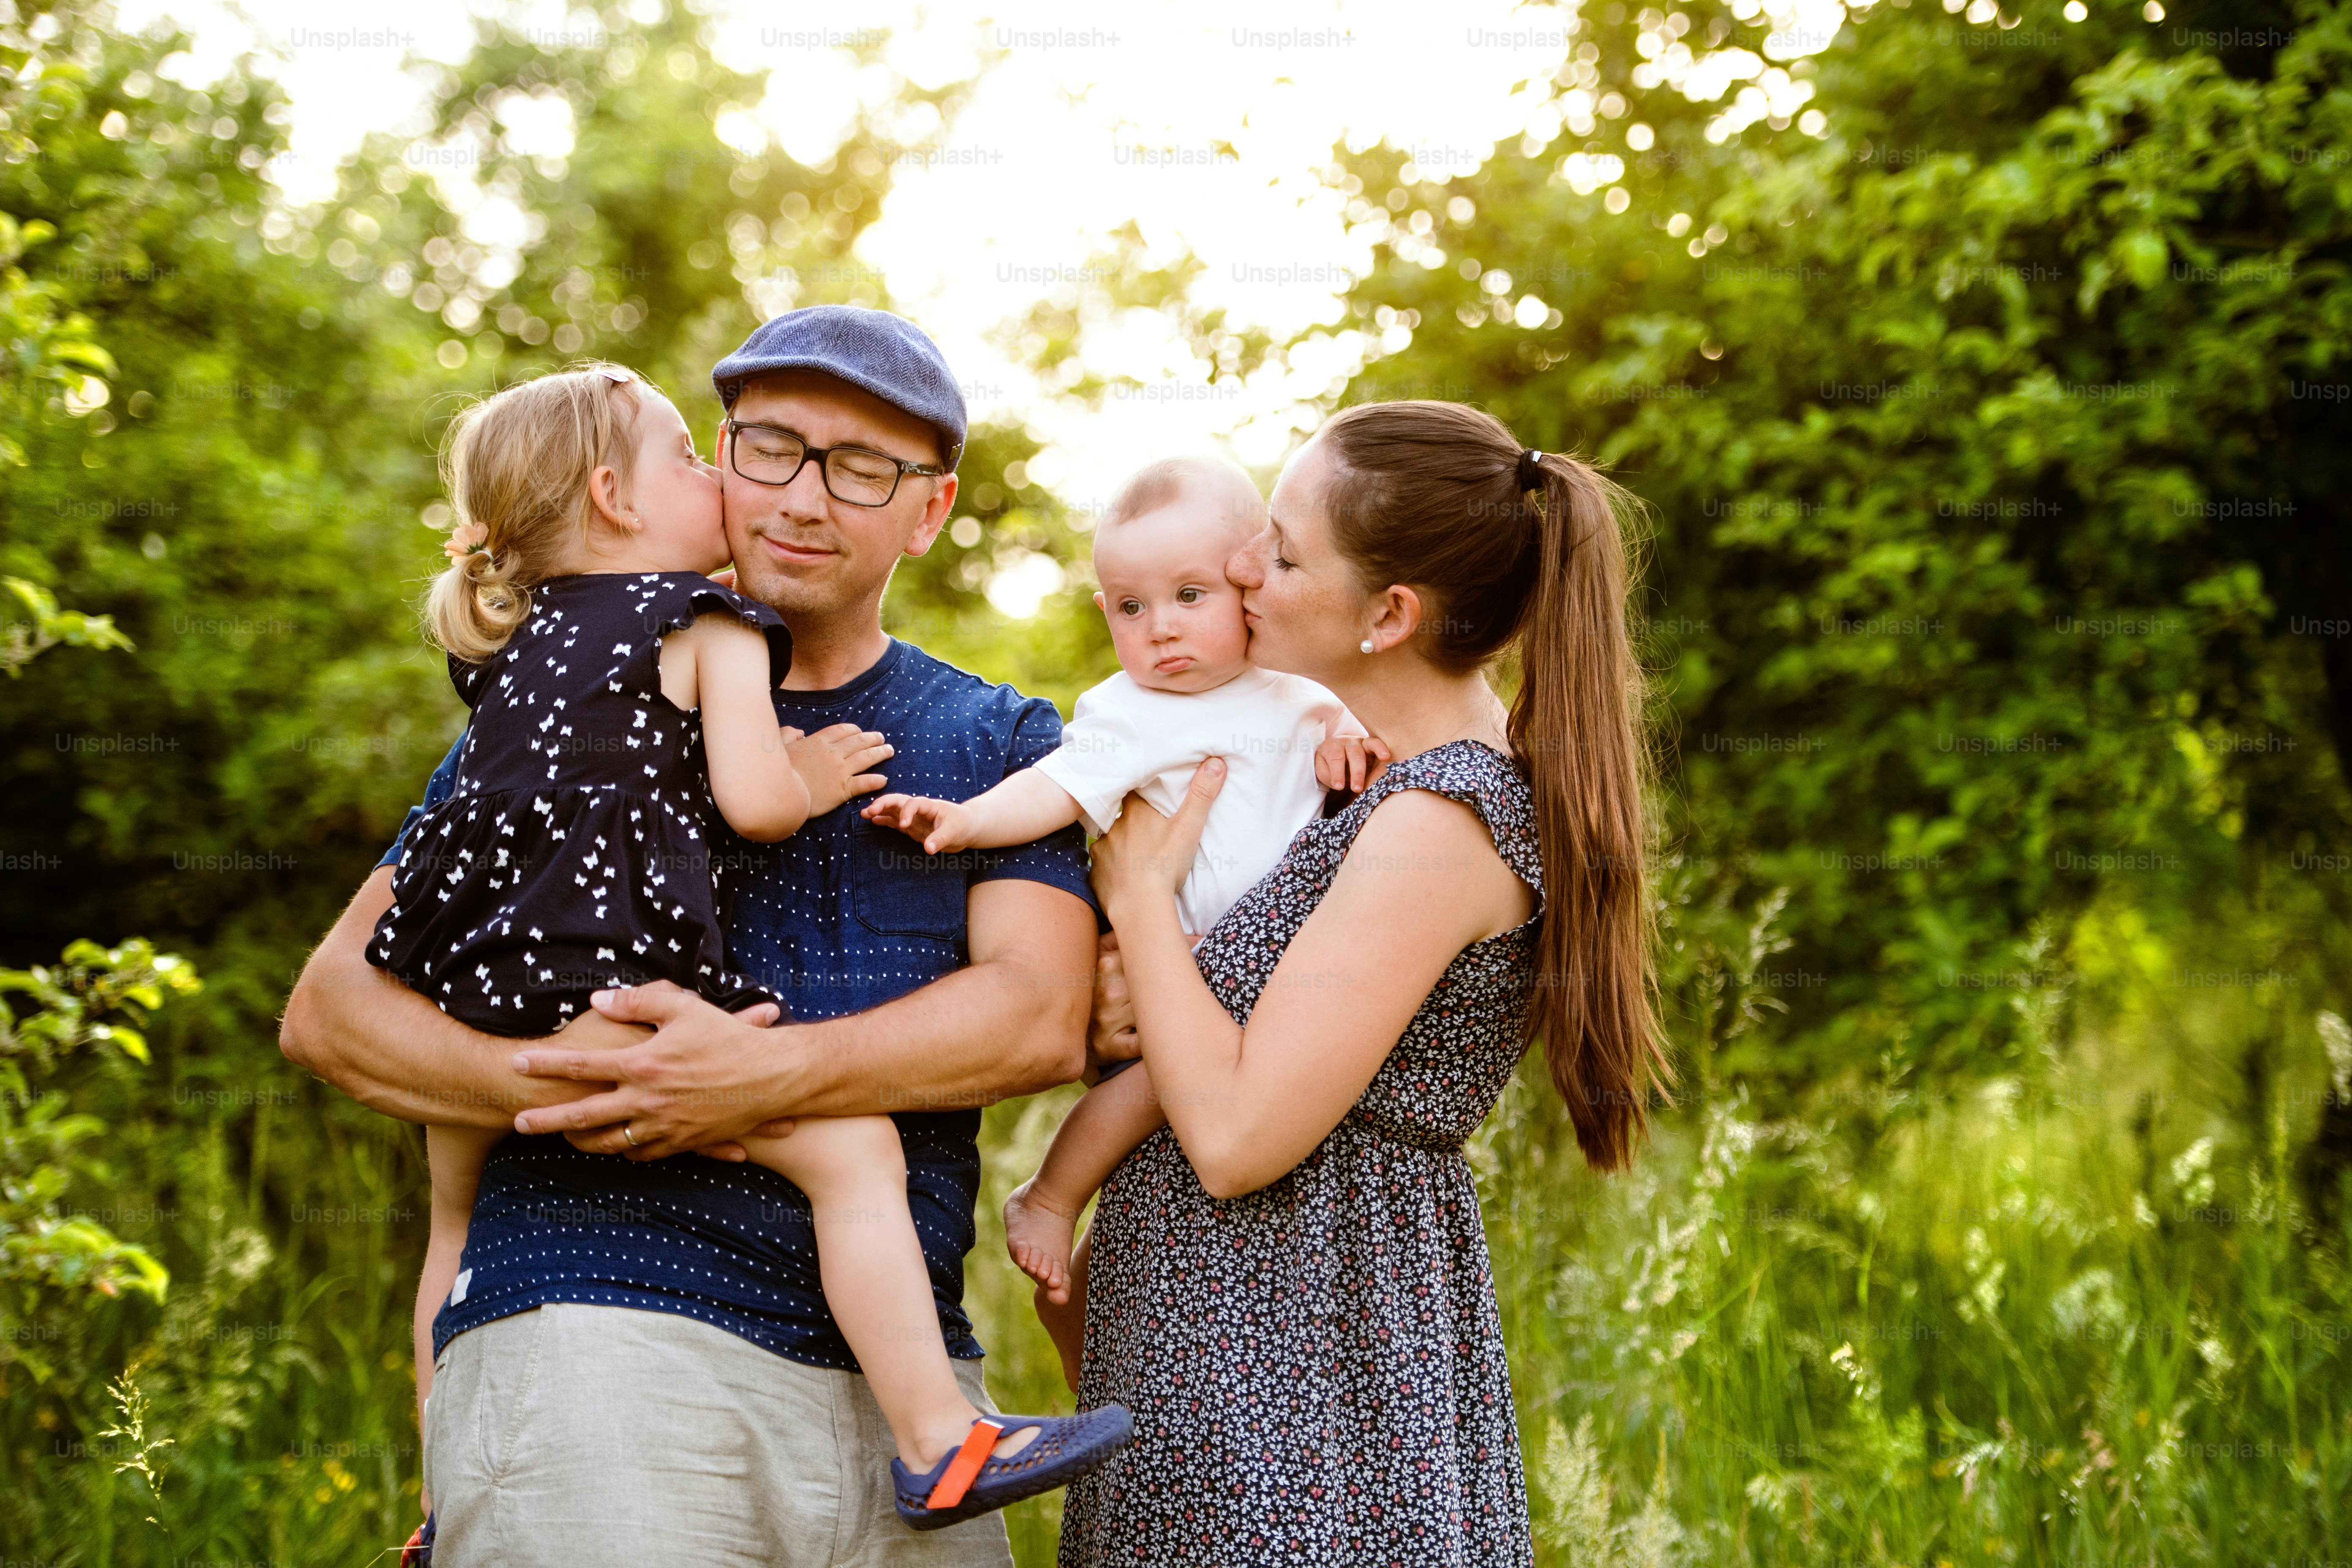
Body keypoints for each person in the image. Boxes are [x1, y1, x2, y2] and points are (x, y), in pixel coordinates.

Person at [282, 305, 1115, 1568]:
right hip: (597, 1352)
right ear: (718, 458)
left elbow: (1039, 1015)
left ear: (930, 511)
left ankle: (945, 1438)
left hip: (905, 1382)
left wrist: (751, 1077)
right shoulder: (575, 694)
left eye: (864, 467)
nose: (802, 496)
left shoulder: (997, 740)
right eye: (771, 447)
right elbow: (333, 1008)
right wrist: (602, 1082)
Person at [1053, 402, 1671, 1565]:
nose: (1245, 565)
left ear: (1390, 615)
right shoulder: (1365, 785)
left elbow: (1236, 1136)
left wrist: (1138, 903)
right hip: (1223, 1376)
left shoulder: (1440, 823)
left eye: (1282, 552)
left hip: (1295, 1398)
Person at [860, 453, 1375, 1304]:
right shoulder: (1132, 713)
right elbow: (1054, 787)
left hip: (1291, 965)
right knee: (1146, 1092)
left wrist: (1351, 742)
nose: (1162, 627)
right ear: (1107, 613)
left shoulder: (1305, 689)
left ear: (1249, 583)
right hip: (1190, 969)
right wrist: (966, 820)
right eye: (1133, 608)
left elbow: (1357, 741)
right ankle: (1051, 1196)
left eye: (1190, 596)